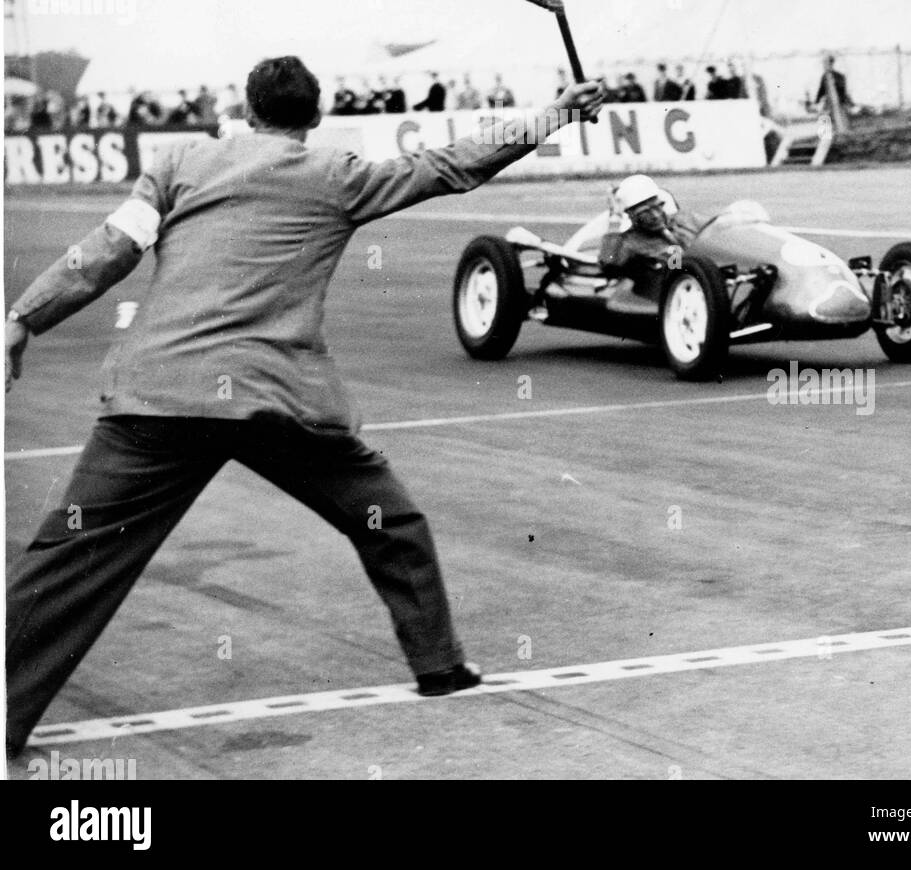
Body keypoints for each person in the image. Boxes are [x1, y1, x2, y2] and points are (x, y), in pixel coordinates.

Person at [3, 55, 605, 756]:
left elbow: (108, 250)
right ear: (314, 118)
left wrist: (23, 318)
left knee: (66, 557)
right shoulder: (337, 175)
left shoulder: (178, 163)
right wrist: (558, 112)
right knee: (391, 520)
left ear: (246, 107)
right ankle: (439, 665)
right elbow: (452, 165)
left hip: (158, 396)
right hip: (276, 402)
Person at [598, 174, 705, 298]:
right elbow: (608, 263)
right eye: (645, 212)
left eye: (657, 207)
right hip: (678, 297)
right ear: (631, 215)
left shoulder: (686, 219)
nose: (655, 215)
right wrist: (615, 216)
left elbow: (720, 232)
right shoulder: (629, 243)